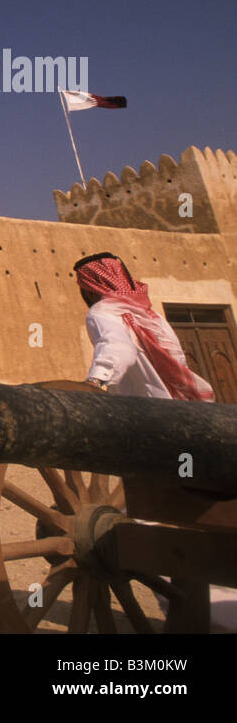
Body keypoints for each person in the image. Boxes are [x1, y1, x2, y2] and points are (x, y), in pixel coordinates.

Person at [73, 251, 233, 632]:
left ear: (91, 286)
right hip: (190, 417)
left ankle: (191, 612)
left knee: (153, 518)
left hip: (151, 426)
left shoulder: (102, 314)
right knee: (197, 510)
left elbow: (119, 350)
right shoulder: (147, 312)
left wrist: (94, 385)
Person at [74, 252, 214, 401]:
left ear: (89, 290)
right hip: (179, 402)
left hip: (143, 405)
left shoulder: (102, 311)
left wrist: (95, 381)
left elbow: (118, 347)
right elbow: (177, 357)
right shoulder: (152, 315)